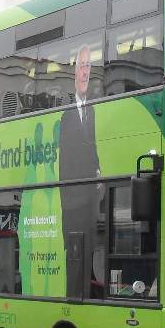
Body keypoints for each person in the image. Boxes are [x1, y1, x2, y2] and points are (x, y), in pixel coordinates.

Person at [59, 44, 101, 297]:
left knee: (87, 260)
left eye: (88, 66)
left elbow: (92, 150)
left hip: (89, 203)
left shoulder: (91, 111)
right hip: (74, 204)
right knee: (74, 266)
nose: (85, 72)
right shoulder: (65, 116)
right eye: (81, 66)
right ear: (73, 72)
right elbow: (64, 166)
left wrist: (98, 172)